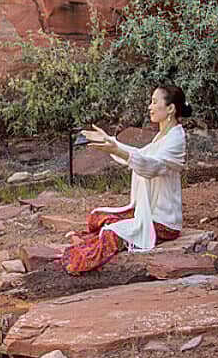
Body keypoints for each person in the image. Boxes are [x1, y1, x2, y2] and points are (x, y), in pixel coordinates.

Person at [61, 85, 192, 275]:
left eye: (154, 102)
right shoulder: (162, 136)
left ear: (170, 108)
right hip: (147, 213)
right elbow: (140, 155)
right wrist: (111, 142)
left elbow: (150, 167)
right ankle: (91, 241)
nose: (150, 106)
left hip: (164, 222)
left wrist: (115, 149)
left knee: (110, 232)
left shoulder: (175, 139)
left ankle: (82, 258)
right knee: (98, 216)